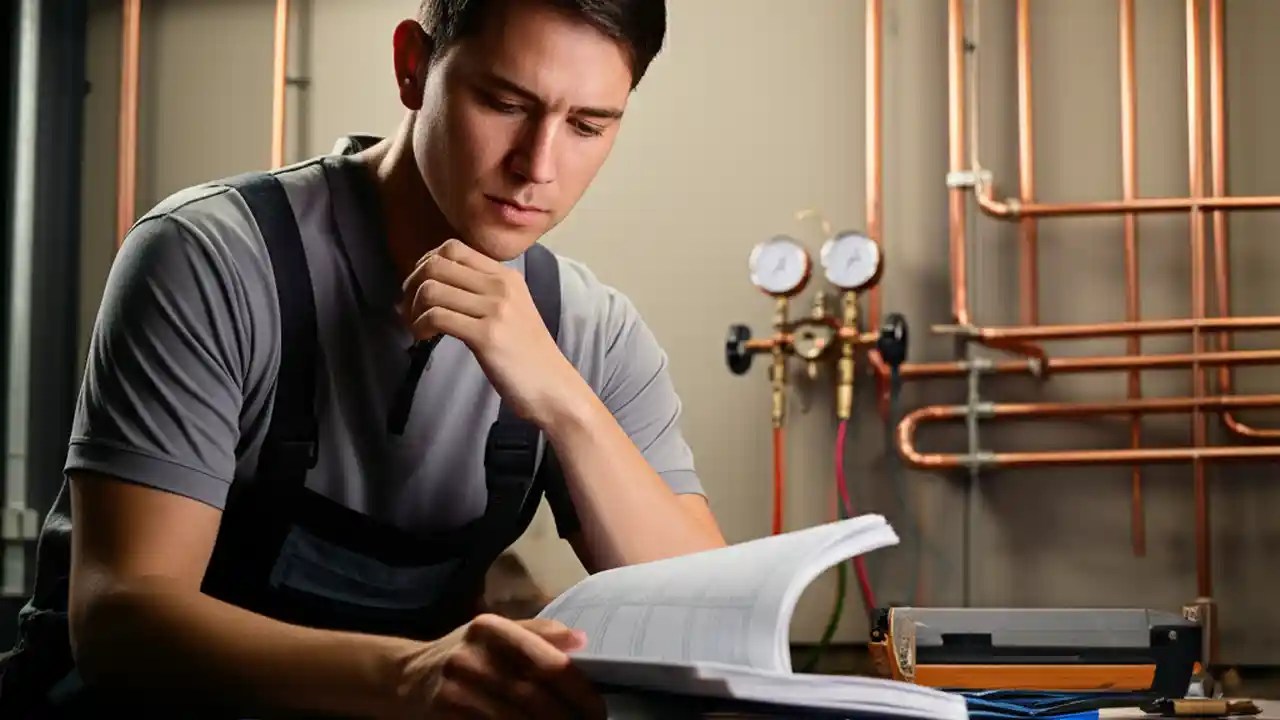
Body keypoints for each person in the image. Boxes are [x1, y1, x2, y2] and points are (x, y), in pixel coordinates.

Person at [0, 0, 726, 717]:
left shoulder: (591, 332)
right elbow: (120, 624)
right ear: (413, 67)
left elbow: (706, 621)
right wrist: (410, 676)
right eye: (505, 103)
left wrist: (563, 401)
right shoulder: (210, 259)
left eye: (587, 125)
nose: (538, 165)